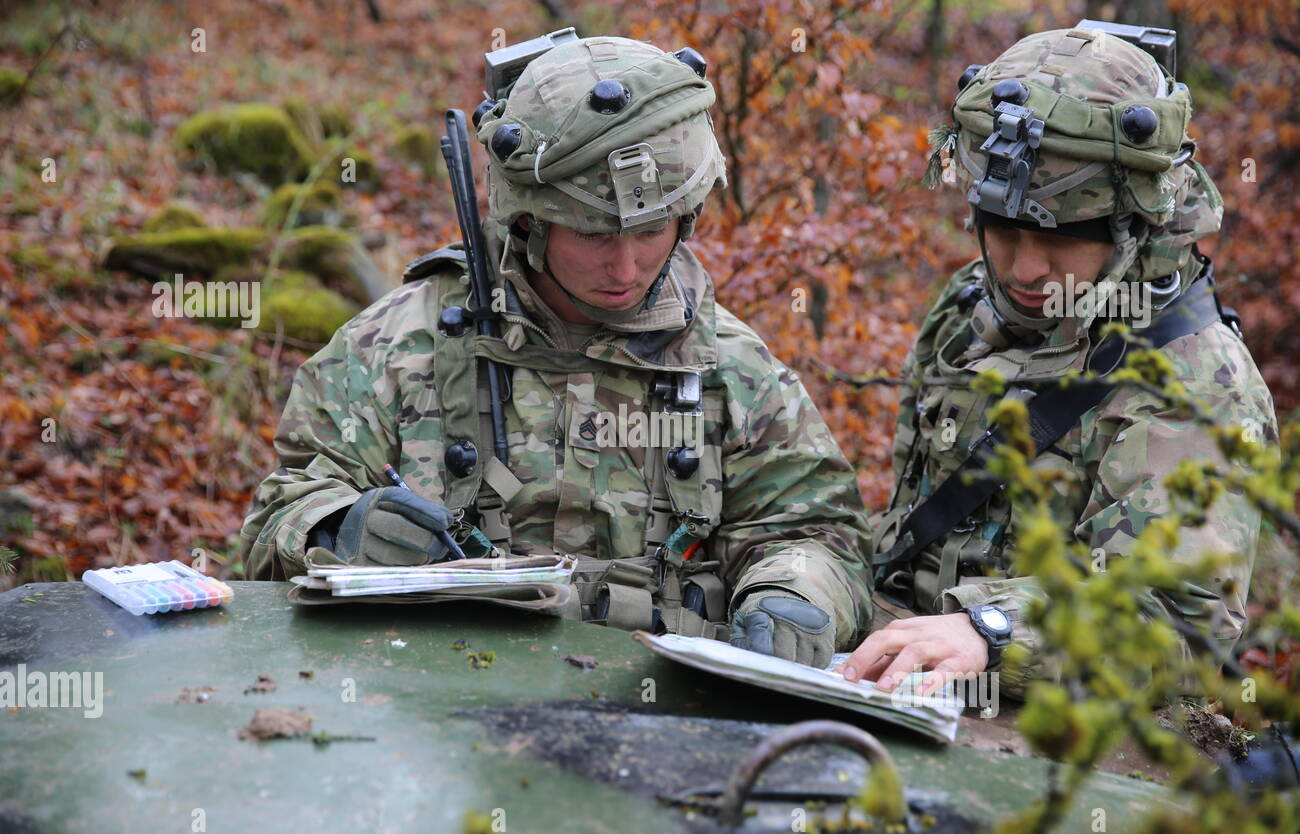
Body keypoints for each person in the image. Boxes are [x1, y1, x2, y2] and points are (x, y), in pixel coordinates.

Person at [239, 30, 874, 664]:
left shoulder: (730, 368)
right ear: (529, 222)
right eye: (593, 235)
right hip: (435, 691)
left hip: (659, 701)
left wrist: (792, 593)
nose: (625, 267)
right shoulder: (400, 344)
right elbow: (283, 512)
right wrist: (341, 529)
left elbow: (817, 533)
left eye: (651, 230)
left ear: (686, 217)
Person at [840, 23, 1279, 700]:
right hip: (910, 677)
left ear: (1134, 223)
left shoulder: (1196, 380)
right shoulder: (968, 309)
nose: (1024, 269)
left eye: (1061, 238)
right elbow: (910, 530)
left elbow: (1178, 626)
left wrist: (992, 632)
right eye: (1002, 230)